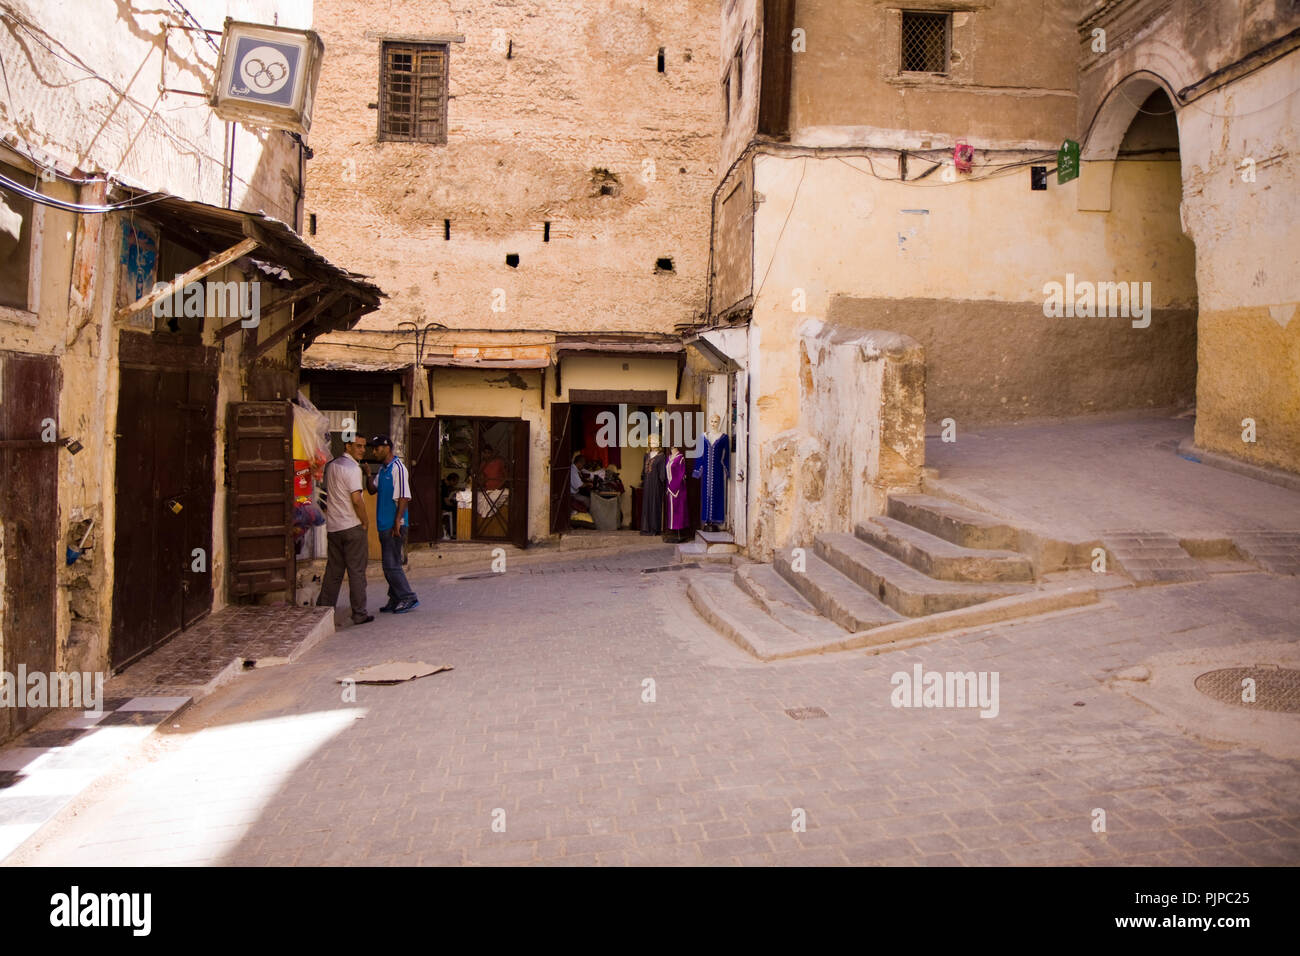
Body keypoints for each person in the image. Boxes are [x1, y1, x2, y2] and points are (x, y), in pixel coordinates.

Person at [315, 435, 372, 625]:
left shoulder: (332, 465)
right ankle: (359, 613)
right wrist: (365, 521)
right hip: (351, 525)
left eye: (364, 446)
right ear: (348, 446)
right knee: (356, 571)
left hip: (334, 527)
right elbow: (356, 499)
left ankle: (323, 610)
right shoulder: (353, 469)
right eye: (358, 446)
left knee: (334, 571)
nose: (363, 450)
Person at [367, 435, 419, 614]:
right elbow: (372, 490)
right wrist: (368, 474)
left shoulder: (399, 468)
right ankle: (395, 598)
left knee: (391, 565)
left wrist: (398, 521)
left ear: (387, 448)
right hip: (384, 524)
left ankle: (408, 597)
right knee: (391, 564)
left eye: (377, 448)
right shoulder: (382, 470)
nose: (374, 452)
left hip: (394, 524)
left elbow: (404, 495)